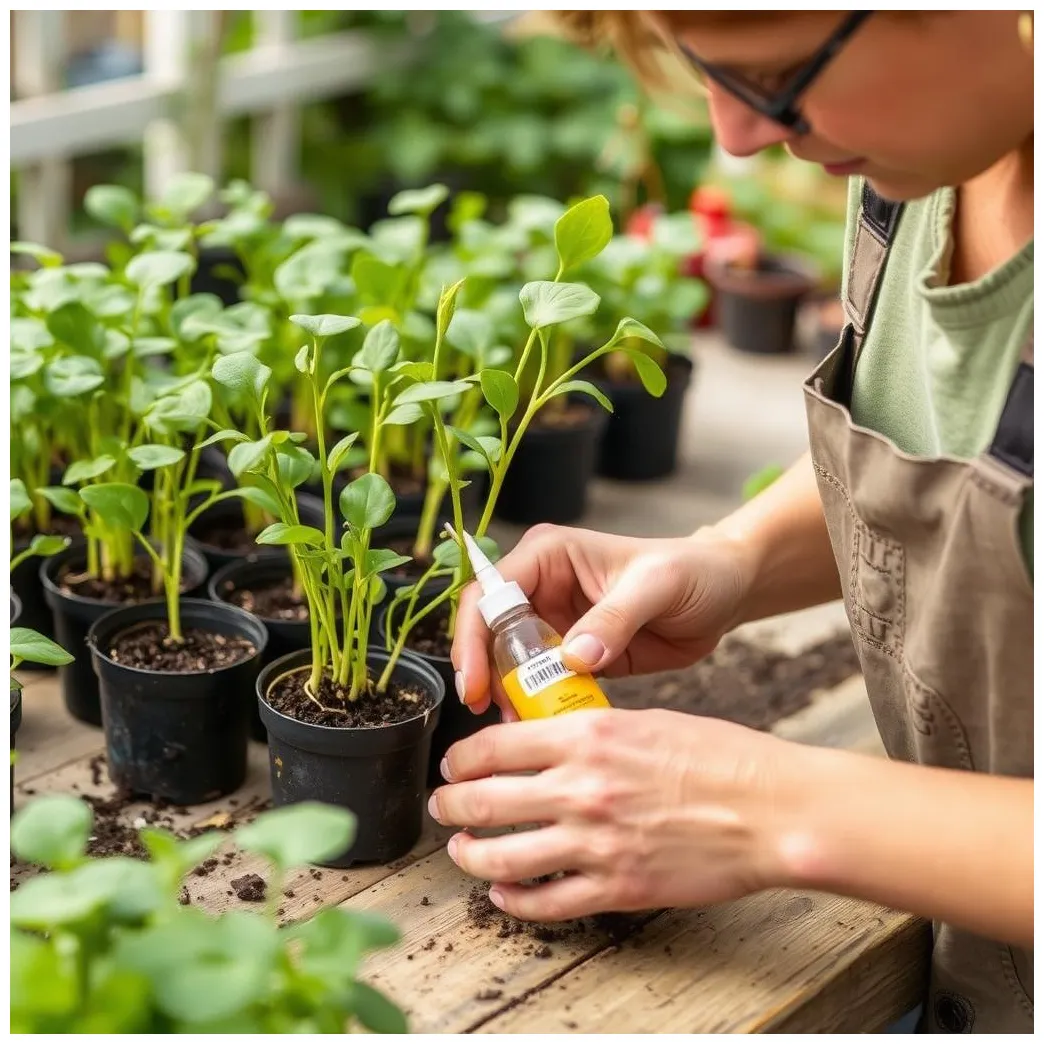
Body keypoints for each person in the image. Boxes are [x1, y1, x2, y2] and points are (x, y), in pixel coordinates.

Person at [428, 11, 1033, 1034]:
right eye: (709, 73)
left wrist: (769, 809)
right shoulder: (924, 161)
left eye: (775, 73)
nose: (738, 137)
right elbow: (964, 449)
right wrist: (733, 558)